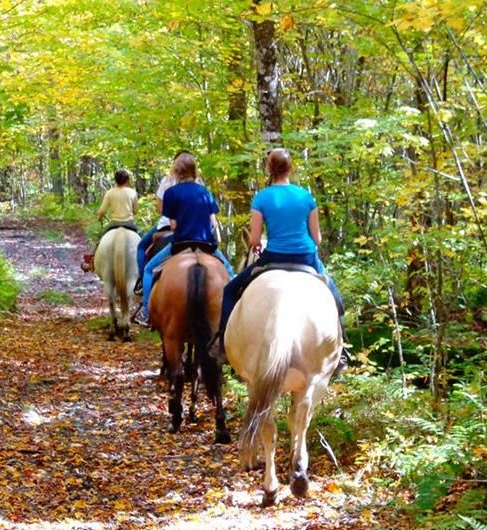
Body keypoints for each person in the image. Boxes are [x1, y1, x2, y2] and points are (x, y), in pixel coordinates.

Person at [212, 148, 348, 373]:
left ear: (269, 169)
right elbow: (318, 238)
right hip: (306, 257)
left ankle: (223, 346)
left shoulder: (262, 197)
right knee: (335, 297)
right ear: (290, 167)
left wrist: (257, 244)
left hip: (273, 257)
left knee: (230, 290)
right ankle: (341, 351)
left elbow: (255, 239)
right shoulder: (306, 196)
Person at [133, 153, 235, 326]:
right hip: (207, 245)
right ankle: (233, 313)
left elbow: (173, 225)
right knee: (229, 271)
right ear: (194, 171)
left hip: (181, 244)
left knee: (149, 269)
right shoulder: (205, 192)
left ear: (177, 171)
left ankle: (145, 313)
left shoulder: (172, 192)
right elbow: (213, 222)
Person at [134, 150, 199, 293]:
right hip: (198, 231)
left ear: (175, 166)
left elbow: (160, 209)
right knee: (225, 266)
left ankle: (141, 284)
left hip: (168, 226)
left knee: (141, 247)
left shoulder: (167, 181)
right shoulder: (199, 184)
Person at [81, 169, 138, 272]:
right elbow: (135, 210)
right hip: (130, 224)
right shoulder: (132, 192)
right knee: (142, 241)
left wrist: (100, 217)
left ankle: (91, 263)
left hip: (114, 223)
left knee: (100, 240)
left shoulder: (110, 193)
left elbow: (102, 211)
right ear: (127, 180)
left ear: (116, 180)